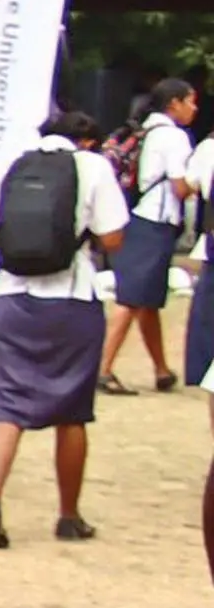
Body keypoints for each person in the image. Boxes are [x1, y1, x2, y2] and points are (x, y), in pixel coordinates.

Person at [0, 108, 129, 547]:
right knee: (73, 410)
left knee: (5, 406)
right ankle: (68, 515)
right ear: (87, 140)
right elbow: (113, 237)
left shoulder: (11, 164)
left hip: (12, 297)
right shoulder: (93, 166)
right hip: (72, 299)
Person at [101, 77, 197, 394]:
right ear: (175, 104)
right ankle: (103, 367)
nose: (194, 108)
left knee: (148, 299)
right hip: (155, 221)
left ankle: (160, 368)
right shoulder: (174, 137)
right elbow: (180, 187)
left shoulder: (147, 130)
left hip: (137, 216)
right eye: (190, 101)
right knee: (131, 297)